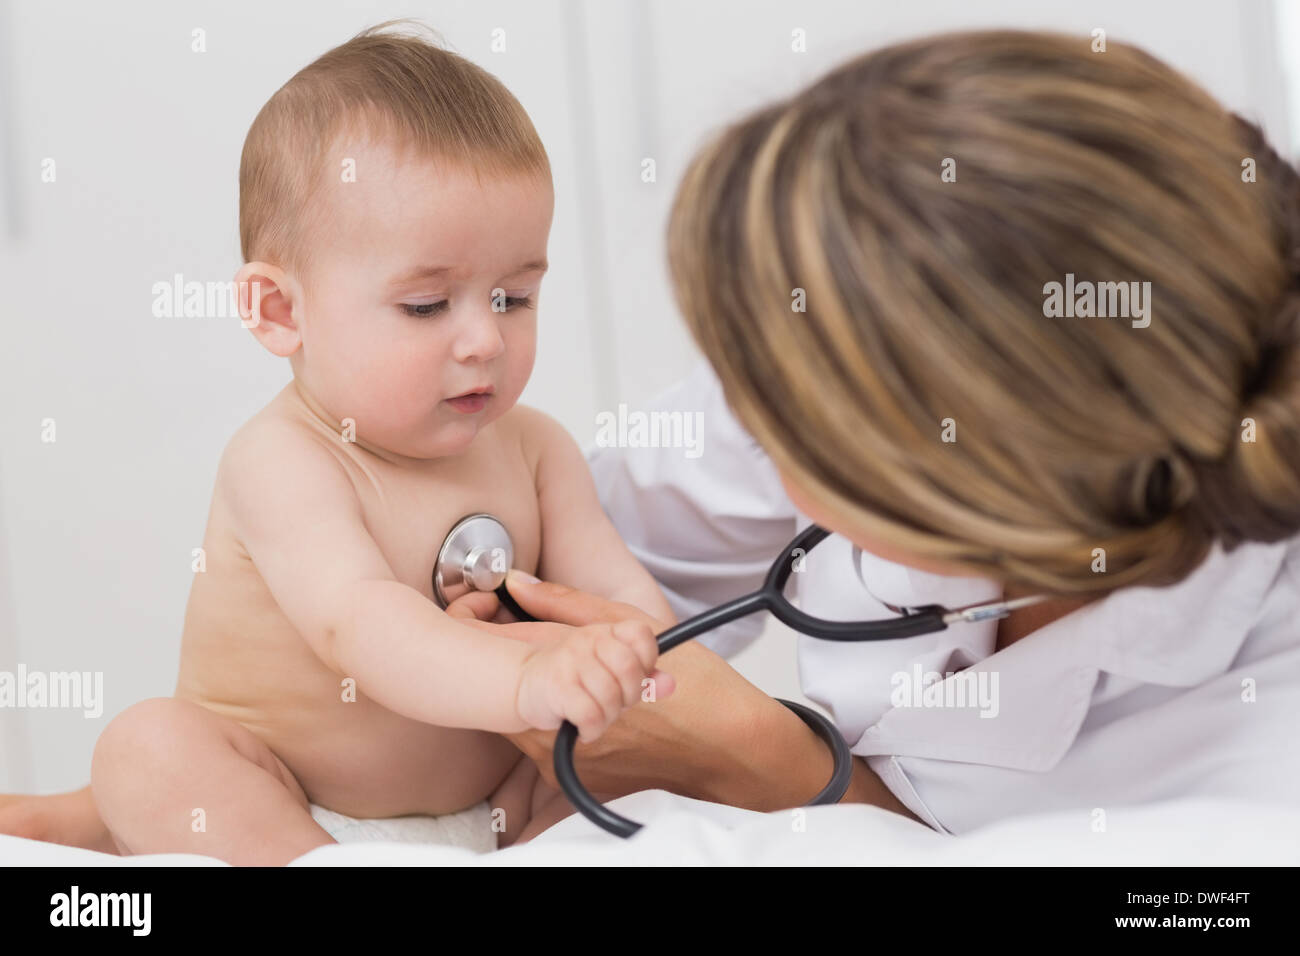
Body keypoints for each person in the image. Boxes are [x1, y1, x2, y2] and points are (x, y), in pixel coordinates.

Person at [468, 29, 1300, 834]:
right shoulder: (854, 355)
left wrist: (770, 767)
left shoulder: (1270, 732)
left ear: (990, 470)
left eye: (791, 429)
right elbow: (576, 538)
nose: (748, 424)